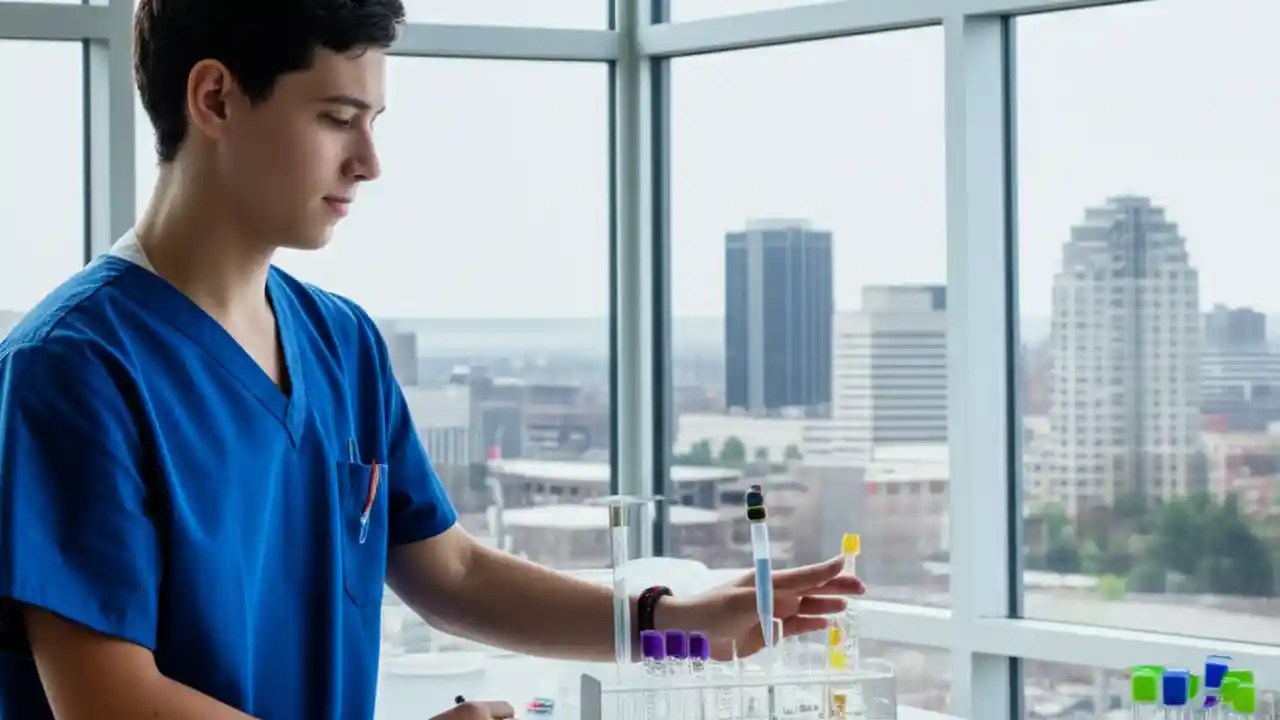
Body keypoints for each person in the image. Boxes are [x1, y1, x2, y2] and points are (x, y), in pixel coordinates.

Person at [0, 1, 866, 719]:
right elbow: (107, 700)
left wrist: (666, 621)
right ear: (217, 98)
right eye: (337, 118)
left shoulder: (341, 343)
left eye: (373, 123)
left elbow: (450, 571)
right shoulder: (71, 370)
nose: (369, 163)